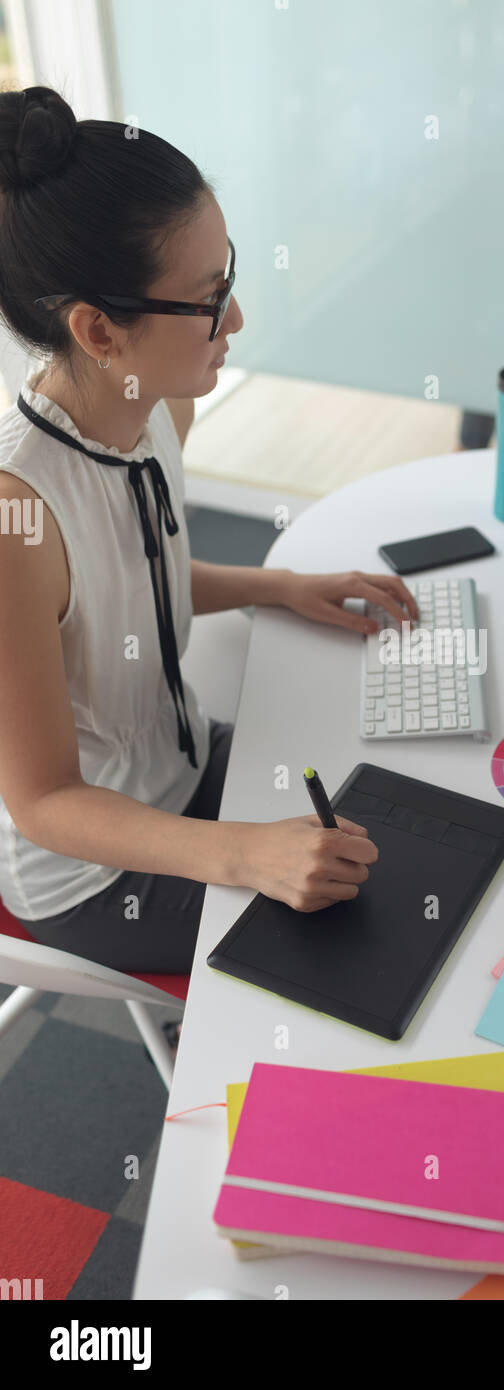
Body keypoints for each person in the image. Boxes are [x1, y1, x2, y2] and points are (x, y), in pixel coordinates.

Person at [0, 86, 419, 976]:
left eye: (228, 277)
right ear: (98, 330)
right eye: (206, 299)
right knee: (364, 940)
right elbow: (43, 801)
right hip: (93, 866)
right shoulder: (14, 521)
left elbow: (131, 579)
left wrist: (279, 586)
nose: (236, 320)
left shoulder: (151, 408)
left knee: (394, 821)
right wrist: (244, 853)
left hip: (183, 767)